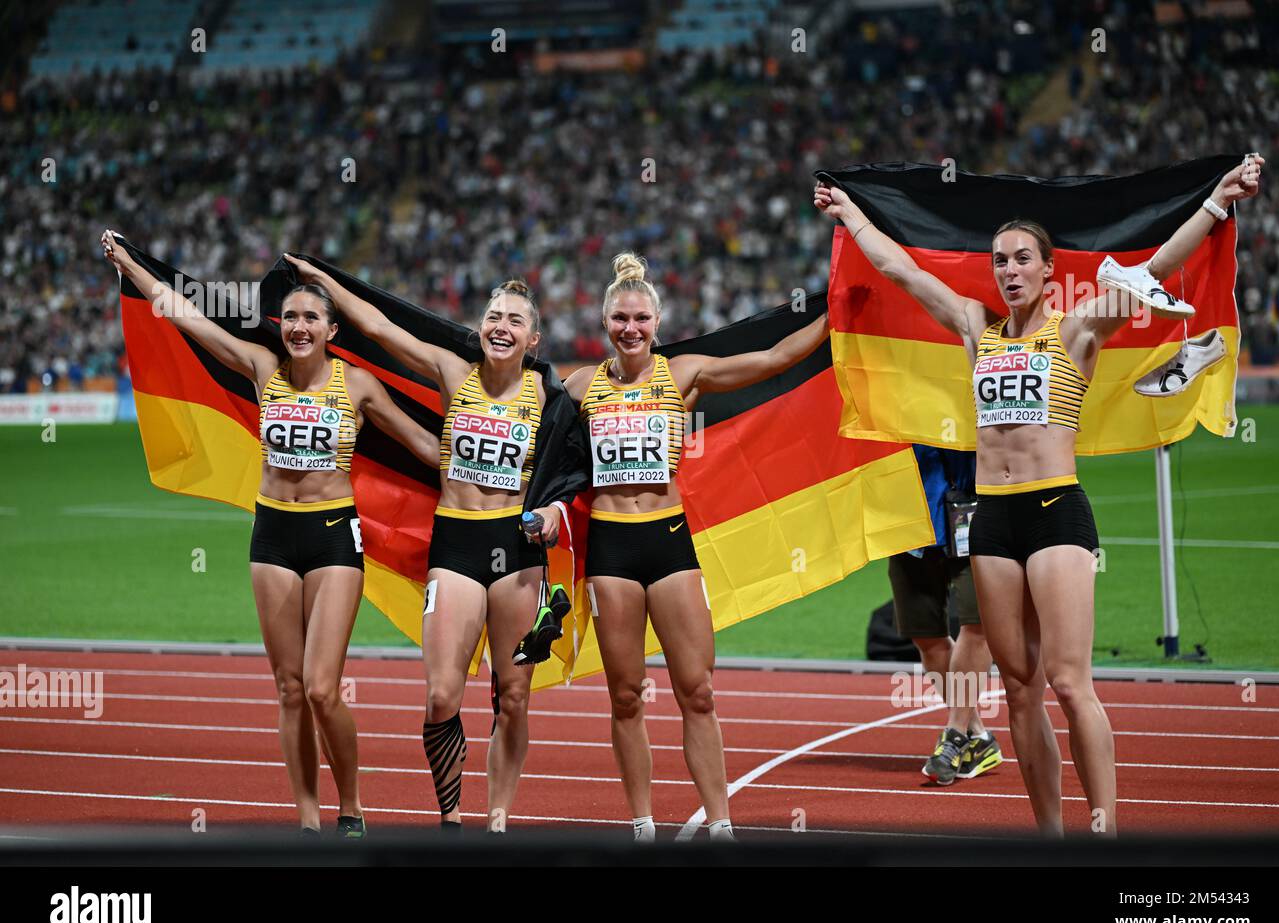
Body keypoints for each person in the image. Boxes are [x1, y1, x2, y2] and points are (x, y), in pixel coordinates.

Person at [815, 154, 1265, 835]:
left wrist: (1219, 202)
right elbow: (902, 271)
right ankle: (1051, 834)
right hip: (992, 520)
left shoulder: (1077, 328)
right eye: (1000, 261)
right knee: (1020, 691)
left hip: (1056, 510)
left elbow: (1156, 268)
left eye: (1023, 259)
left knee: (1068, 680)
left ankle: (1104, 824)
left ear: (1048, 270)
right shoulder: (976, 328)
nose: (1009, 270)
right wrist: (850, 214)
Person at [103, 231, 442, 837]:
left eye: (313, 317)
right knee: (288, 688)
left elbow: (422, 446)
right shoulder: (263, 368)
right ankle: (309, 820)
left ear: (332, 330)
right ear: (278, 324)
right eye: (291, 317)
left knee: (320, 688)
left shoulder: (358, 386)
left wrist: (501, 469)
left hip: (336, 536)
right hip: (273, 536)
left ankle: (354, 806)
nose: (300, 326)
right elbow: (189, 320)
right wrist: (133, 267)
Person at [284, 255, 584, 833]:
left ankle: (496, 816)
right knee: (443, 694)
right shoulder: (453, 371)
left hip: (516, 549)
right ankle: (451, 819)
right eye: (493, 316)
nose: (501, 326)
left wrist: (551, 512)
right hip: (457, 544)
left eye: (514, 321)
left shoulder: (551, 397)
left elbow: (572, 468)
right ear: (480, 326)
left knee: (514, 695)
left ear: (533, 338)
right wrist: (324, 281)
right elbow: (378, 328)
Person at [565, 252, 830, 842]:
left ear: (657, 321)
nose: (630, 329)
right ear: (603, 322)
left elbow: (773, 359)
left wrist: (834, 315)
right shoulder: (579, 386)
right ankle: (642, 823)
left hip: (667, 540)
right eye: (619, 319)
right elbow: (516, 409)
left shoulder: (682, 373)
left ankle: (720, 823)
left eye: (640, 318)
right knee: (626, 695)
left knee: (699, 690)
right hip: (610, 549)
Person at [888, 445, 1002, 785]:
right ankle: (977, 736)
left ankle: (953, 734)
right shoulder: (891, 393)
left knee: (978, 624)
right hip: (909, 522)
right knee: (927, 636)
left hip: (975, 514)